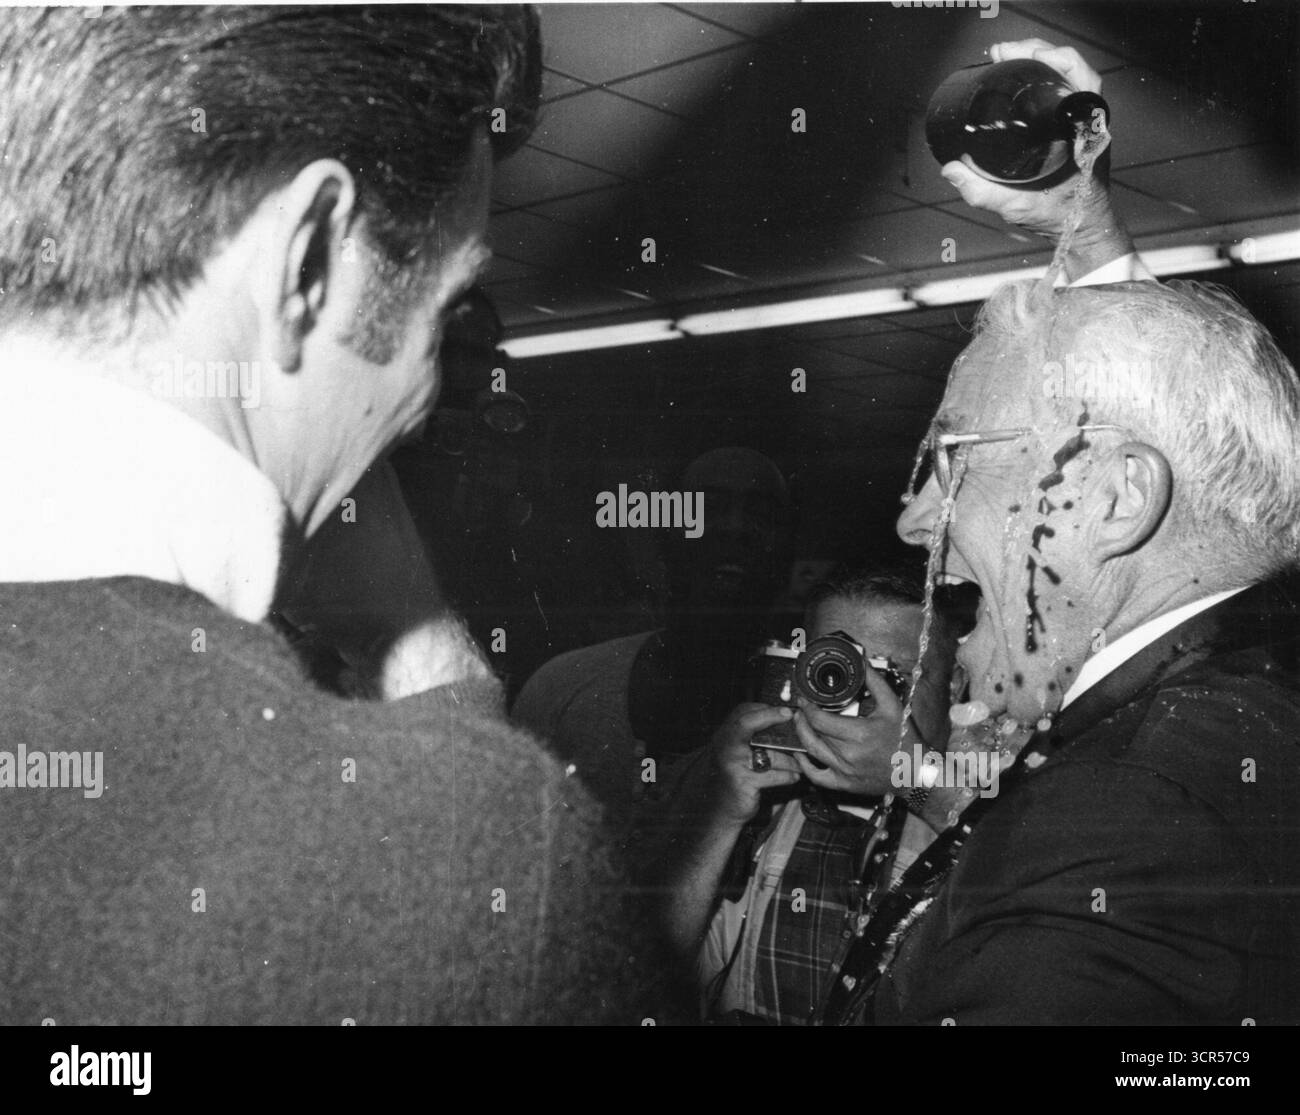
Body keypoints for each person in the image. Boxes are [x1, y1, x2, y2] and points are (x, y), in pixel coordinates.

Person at [0, 6, 652, 1025]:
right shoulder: (449, 839)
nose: (424, 398)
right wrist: (428, 660)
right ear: (310, 259)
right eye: (444, 315)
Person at [807, 275, 1300, 1025]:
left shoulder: (1125, 807)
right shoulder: (1239, 708)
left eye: (951, 461)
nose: (914, 520)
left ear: (1115, 497)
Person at [662, 569, 959, 1023]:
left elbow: (1033, 868)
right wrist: (720, 813)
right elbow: (647, 972)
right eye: (837, 670)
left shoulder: (988, 786)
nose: (858, 699)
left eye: (893, 677)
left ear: (953, 685)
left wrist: (913, 777)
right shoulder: (764, 799)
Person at [512, 446, 792, 877]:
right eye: (708, 507)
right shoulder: (562, 689)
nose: (734, 528)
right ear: (667, 539)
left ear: (785, 550)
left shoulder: (817, 706)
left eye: (759, 514)